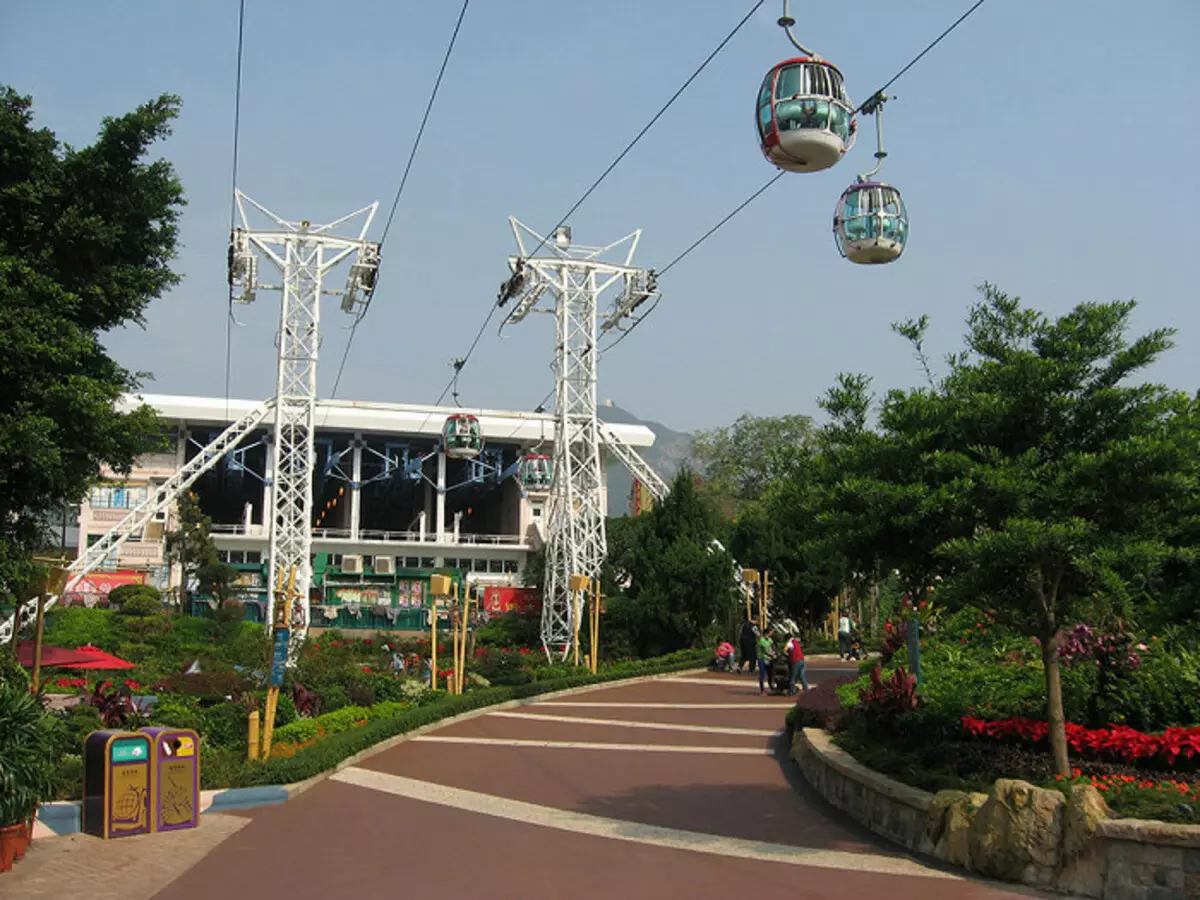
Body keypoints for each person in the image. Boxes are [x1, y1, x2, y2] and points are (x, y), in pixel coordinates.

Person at [757, 630, 775, 695]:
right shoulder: (761, 640)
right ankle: (762, 690)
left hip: (769, 659)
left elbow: (773, 646)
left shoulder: (770, 639)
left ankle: (771, 686)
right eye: (770, 633)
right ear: (766, 633)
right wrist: (772, 654)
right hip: (762, 659)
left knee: (770, 673)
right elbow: (765, 650)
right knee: (762, 674)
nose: (771, 634)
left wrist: (774, 651)